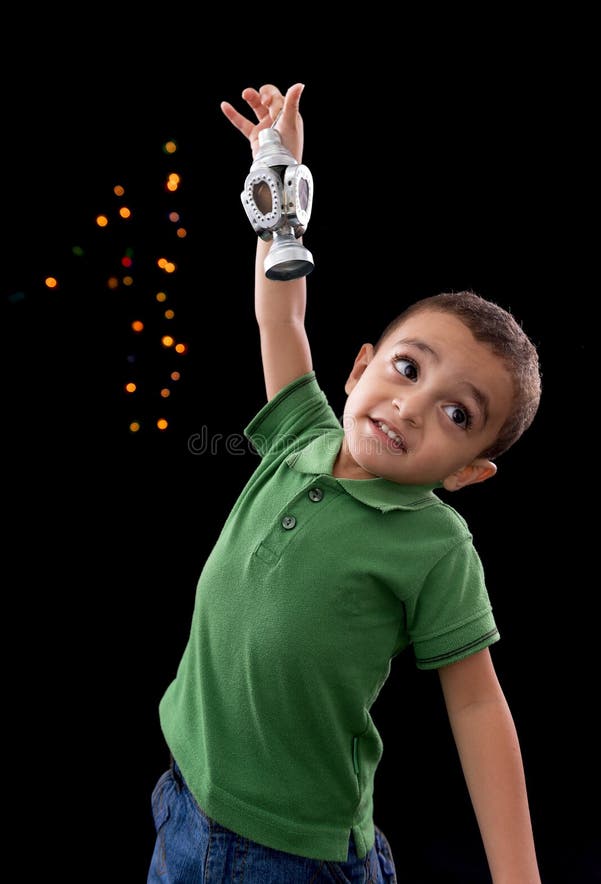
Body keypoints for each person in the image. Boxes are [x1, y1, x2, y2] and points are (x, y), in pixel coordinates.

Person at [147, 83, 542, 883]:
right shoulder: (301, 431)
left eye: (457, 415)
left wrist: (516, 875)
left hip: (292, 856)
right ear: (360, 367)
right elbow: (280, 316)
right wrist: (276, 164)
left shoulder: (433, 542)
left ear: (468, 472)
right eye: (406, 368)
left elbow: (475, 705)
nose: (411, 405)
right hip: (185, 803)